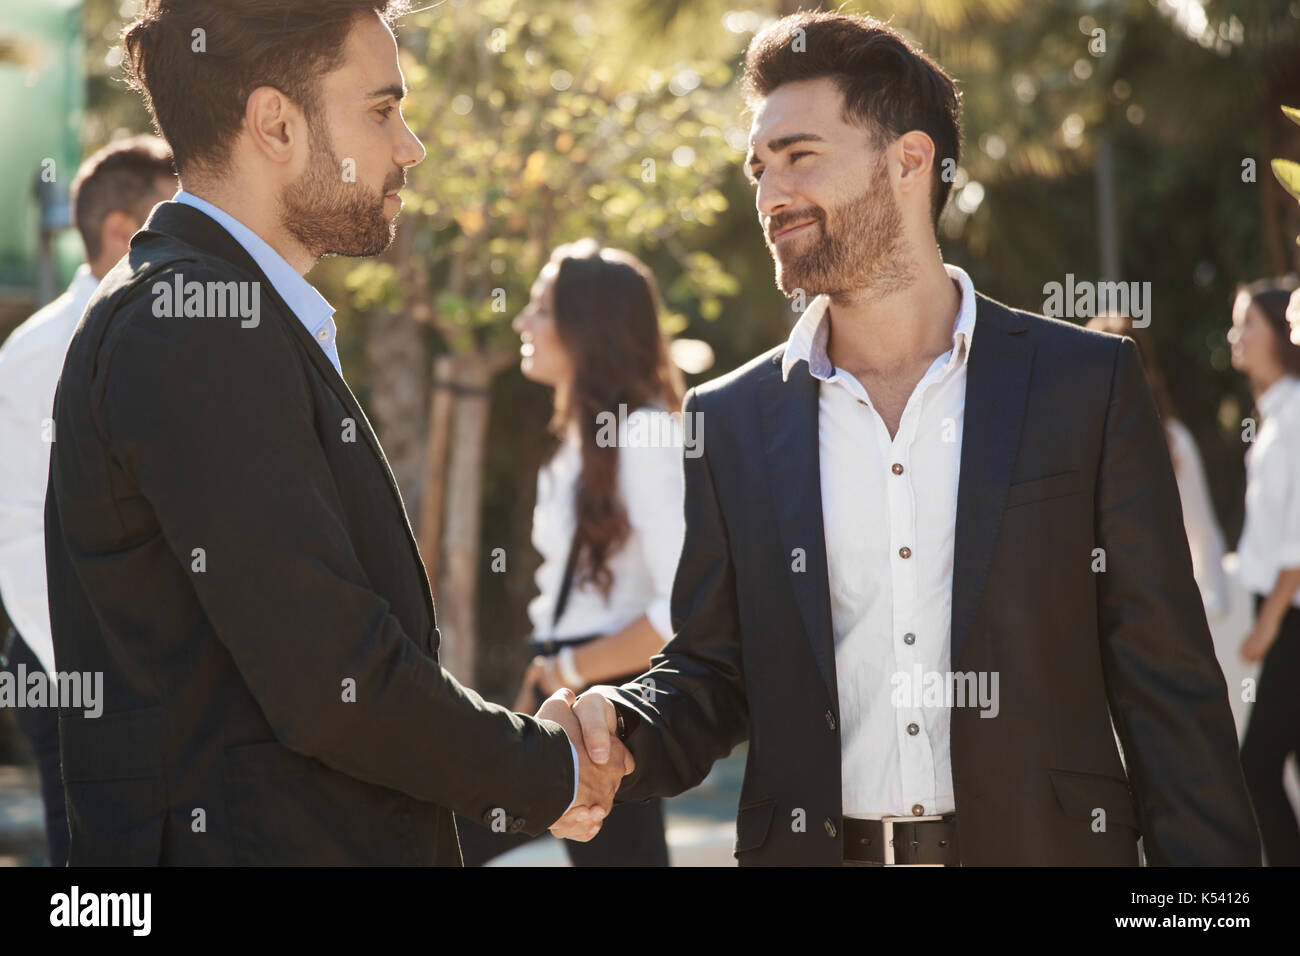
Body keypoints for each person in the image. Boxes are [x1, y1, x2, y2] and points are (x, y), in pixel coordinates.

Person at [556, 11, 1261, 866]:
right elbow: (716, 671)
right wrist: (619, 726)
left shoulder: (1085, 385)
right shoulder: (728, 419)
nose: (770, 195)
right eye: (759, 167)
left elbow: (1168, 689)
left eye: (800, 156)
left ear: (910, 160)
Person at [44, 0, 629, 866]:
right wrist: (544, 768)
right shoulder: (196, 323)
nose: (410, 147)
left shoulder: (214, 311)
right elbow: (332, 683)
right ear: (275, 125)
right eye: (383, 109)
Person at [455, 240, 685, 866]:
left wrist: (570, 672)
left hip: (611, 702)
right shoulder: (582, 441)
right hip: (564, 689)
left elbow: (682, 613)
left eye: (539, 308)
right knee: (448, 838)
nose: (521, 323)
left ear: (586, 328)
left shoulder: (644, 436)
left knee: (451, 839)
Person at [0, 134, 176, 867]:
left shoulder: (151, 332)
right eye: (176, 218)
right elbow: (23, 545)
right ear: (118, 231)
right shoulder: (51, 350)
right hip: (77, 662)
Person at [1085, 314, 1228, 619]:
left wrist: (1209, 606)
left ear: (1147, 374)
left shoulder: (1175, 443)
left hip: (1154, 613)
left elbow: (1202, 532)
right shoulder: (1071, 444)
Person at [1228, 277, 1300, 865]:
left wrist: (1269, 626)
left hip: (1291, 618)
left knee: (1255, 768)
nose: (1236, 334)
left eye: (1247, 322)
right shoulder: (1276, 414)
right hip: (1280, 613)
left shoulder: (1297, 413)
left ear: (1282, 332)